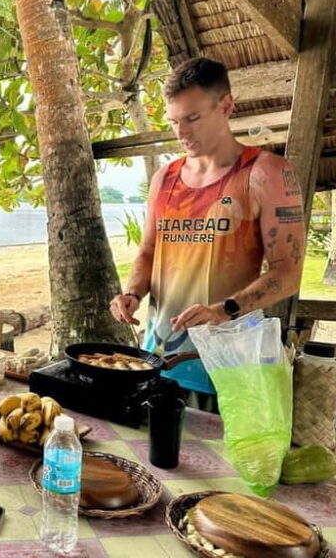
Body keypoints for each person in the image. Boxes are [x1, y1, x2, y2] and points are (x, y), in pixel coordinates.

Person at [109, 57, 306, 405]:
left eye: (193, 118)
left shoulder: (266, 173)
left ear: (226, 106)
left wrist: (224, 309)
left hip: (226, 367)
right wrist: (133, 294)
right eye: (174, 122)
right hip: (159, 361)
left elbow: (288, 274)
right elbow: (148, 251)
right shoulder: (165, 178)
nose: (182, 133)